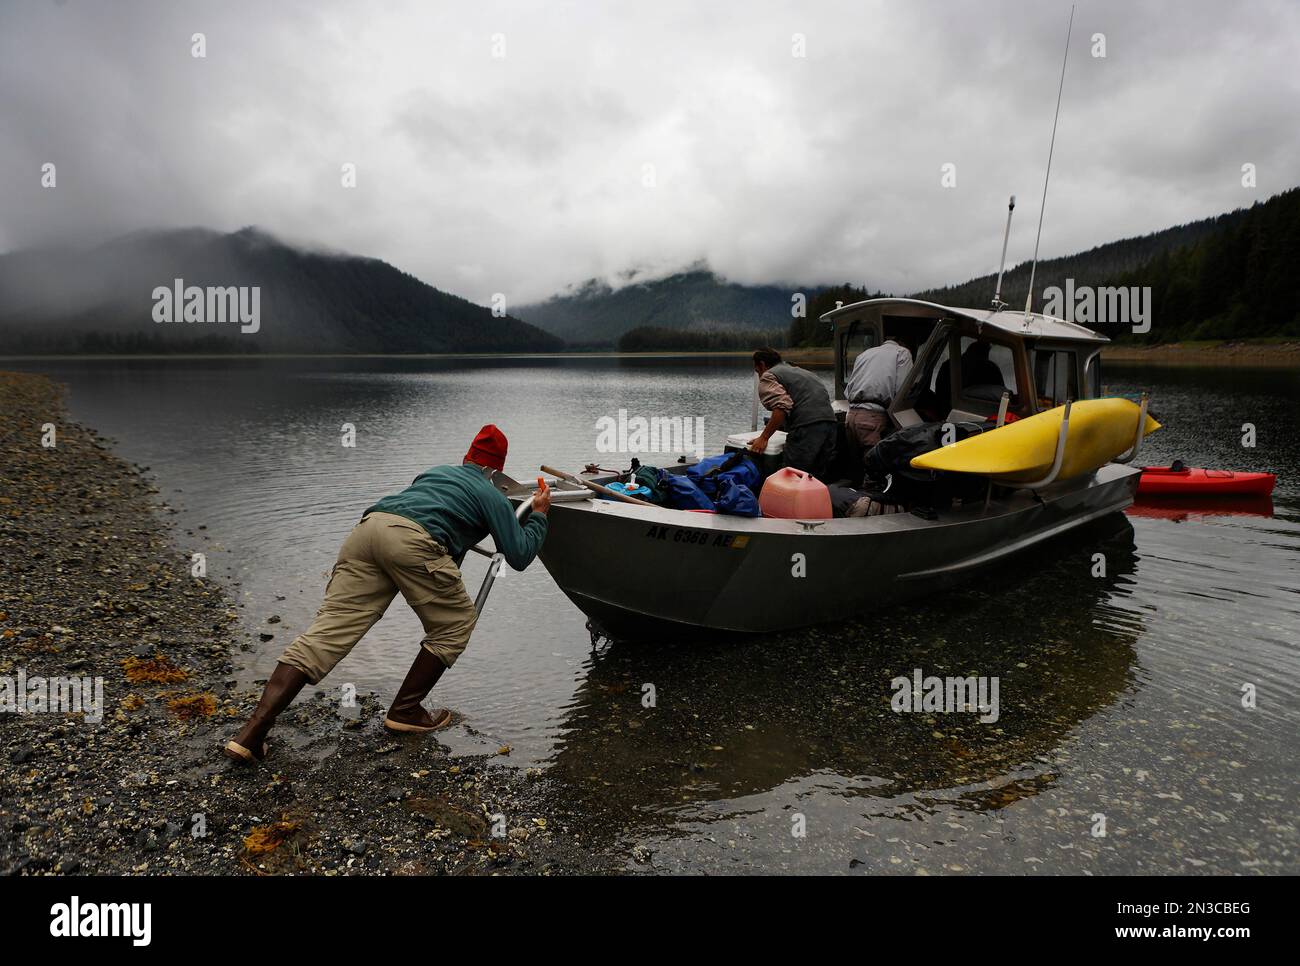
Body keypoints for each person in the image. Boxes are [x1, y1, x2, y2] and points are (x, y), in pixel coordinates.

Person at [224, 424, 550, 765]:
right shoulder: (492, 496)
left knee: (328, 633)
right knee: (455, 624)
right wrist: (539, 515)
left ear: (466, 458)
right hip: (411, 541)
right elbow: (519, 555)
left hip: (368, 530)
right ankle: (405, 711)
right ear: (496, 470)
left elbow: (434, 521)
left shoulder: (435, 474)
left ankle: (251, 733)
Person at [749, 347, 836, 480]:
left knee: (793, 477)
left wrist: (764, 438)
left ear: (762, 365)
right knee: (817, 479)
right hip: (831, 425)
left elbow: (782, 406)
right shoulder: (804, 372)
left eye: (757, 371)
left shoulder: (769, 375)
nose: (759, 376)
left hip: (807, 428)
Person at [843, 334, 912, 470]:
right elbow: (903, 390)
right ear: (902, 342)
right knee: (874, 468)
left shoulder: (864, 354)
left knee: (856, 467)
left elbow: (847, 390)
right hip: (872, 418)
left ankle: (853, 490)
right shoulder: (903, 353)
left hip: (850, 416)